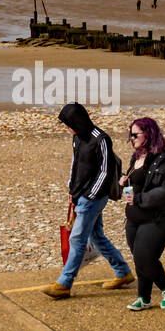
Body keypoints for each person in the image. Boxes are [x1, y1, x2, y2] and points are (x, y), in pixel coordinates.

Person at [42, 102, 133, 298]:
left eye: (67, 123)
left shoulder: (101, 139)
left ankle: (64, 284)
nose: (66, 128)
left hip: (93, 197)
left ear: (77, 121)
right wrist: (72, 189)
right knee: (96, 235)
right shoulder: (77, 138)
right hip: (80, 195)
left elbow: (106, 171)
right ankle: (123, 272)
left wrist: (90, 195)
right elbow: (76, 165)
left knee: (77, 238)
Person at [121, 117, 165, 311]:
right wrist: (123, 181)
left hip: (160, 217)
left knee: (145, 257)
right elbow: (137, 184)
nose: (132, 139)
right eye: (130, 135)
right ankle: (144, 298)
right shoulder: (136, 157)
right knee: (139, 258)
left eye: (135, 135)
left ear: (149, 133)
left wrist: (138, 199)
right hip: (135, 217)